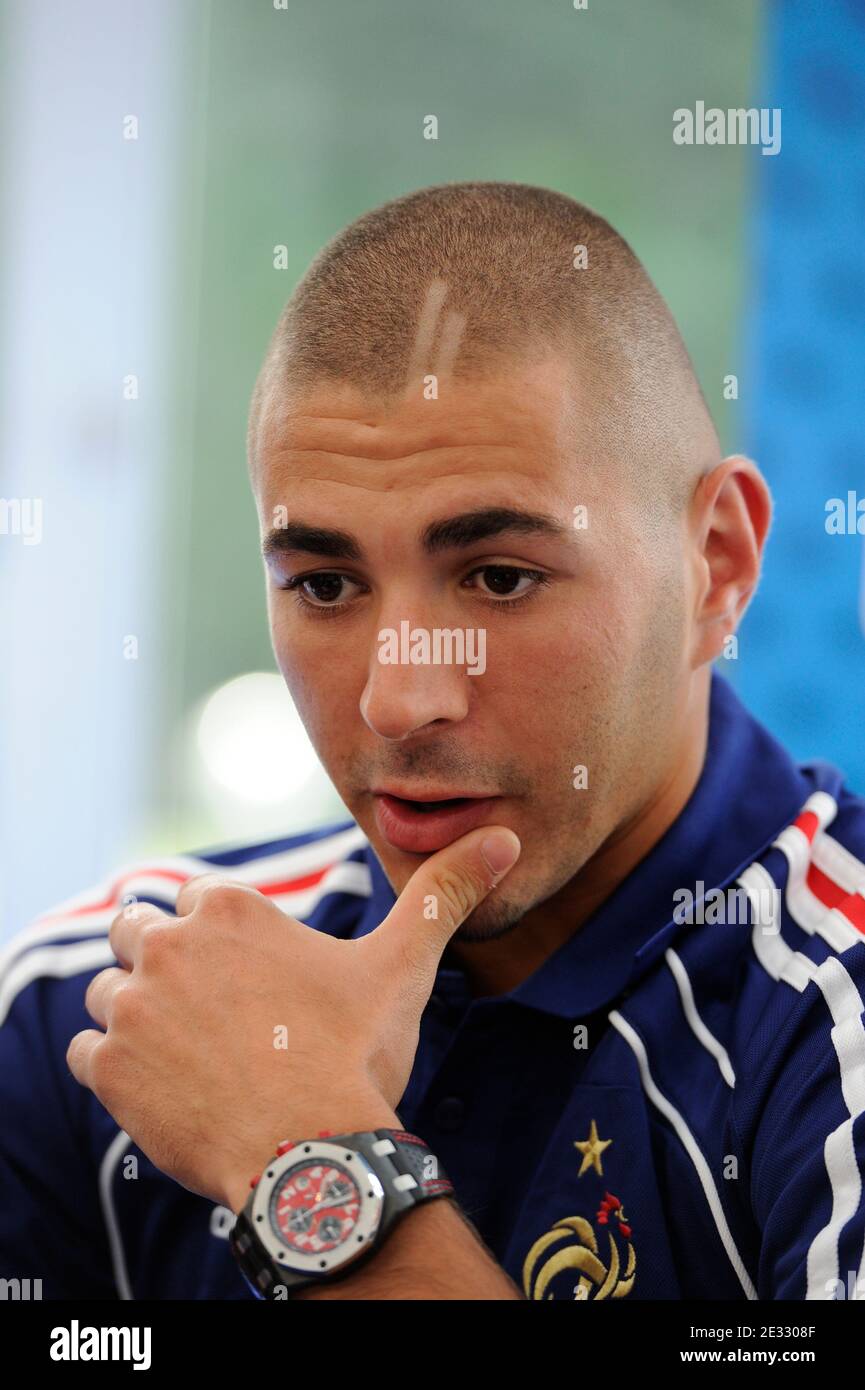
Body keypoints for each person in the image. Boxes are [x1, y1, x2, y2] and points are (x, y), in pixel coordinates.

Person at [2, 182, 864, 1301]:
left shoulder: (830, 1026)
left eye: (500, 577)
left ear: (717, 564)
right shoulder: (91, 1005)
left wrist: (305, 1154)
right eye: (323, 583)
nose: (399, 701)